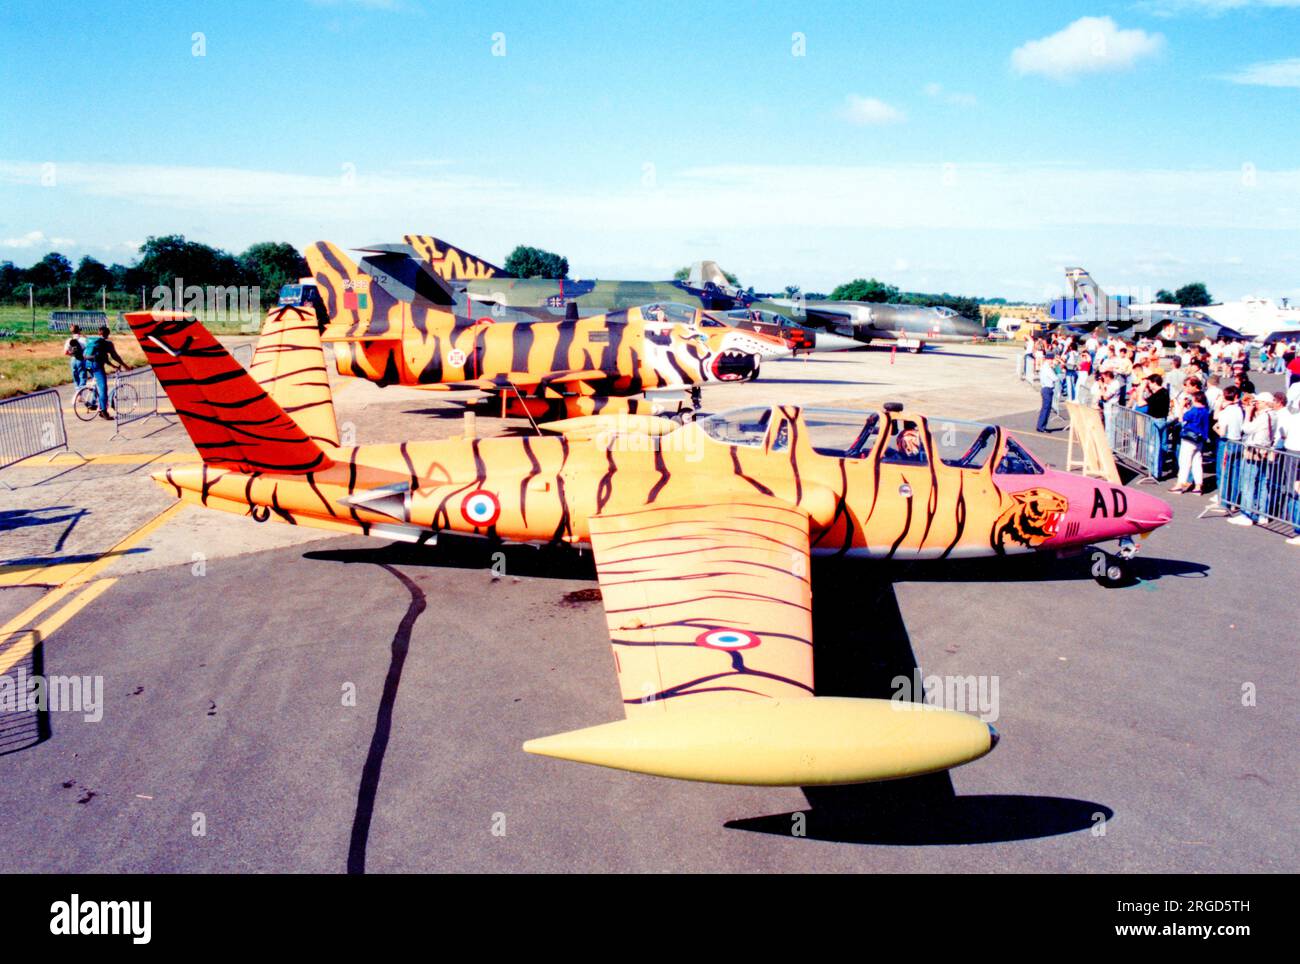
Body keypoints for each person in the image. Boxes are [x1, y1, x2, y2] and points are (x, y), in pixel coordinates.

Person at [81, 325, 127, 420]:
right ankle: (103, 411)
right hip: (97, 366)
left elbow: (103, 358)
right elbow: (114, 356)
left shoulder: (92, 341)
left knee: (97, 383)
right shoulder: (107, 344)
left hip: (87, 364)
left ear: (99, 333)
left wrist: (112, 366)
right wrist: (124, 365)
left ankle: (92, 401)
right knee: (103, 388)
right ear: (107, 334)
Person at [1172, 391, 1210, 494]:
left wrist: (1181, 407)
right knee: (1197, 462)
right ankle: (1198, 486)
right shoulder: (1205, 411)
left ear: (1195, 399)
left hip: (1189, 438)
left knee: (1184, 462)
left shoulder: (1194, 411)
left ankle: (1180, 484)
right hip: (1200, 439)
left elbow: (1181, 419)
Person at [1036, 351, 1060, 433]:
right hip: (1047, 389)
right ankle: (1041, 426)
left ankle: (1041, 425)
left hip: (1045, 388)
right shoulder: (1048, 368)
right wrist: (1056, 369)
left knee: (1045, 408)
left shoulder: (1044, 367)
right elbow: (1055, 378)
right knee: (1046, 409)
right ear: (1050, 359)